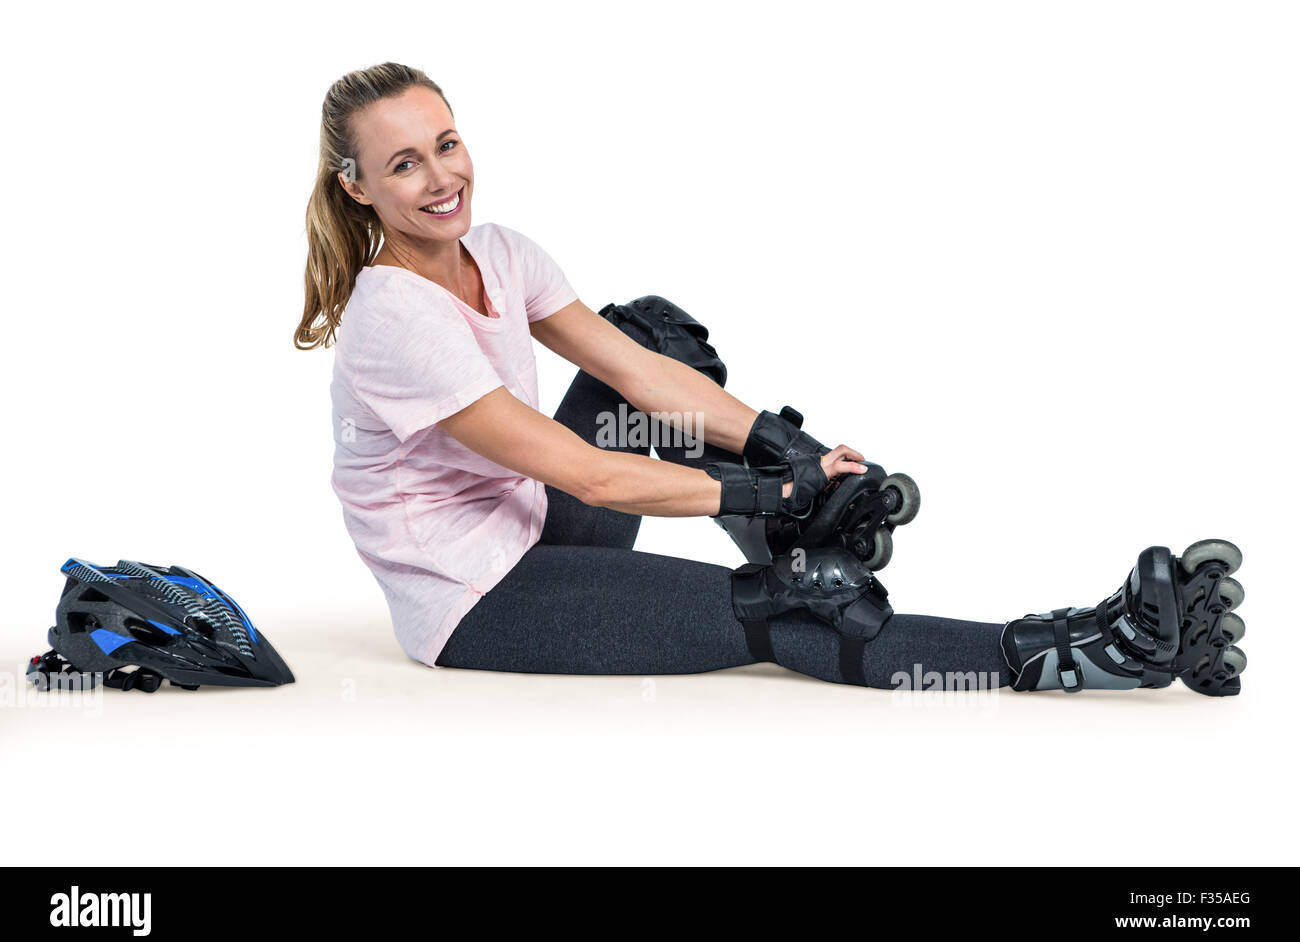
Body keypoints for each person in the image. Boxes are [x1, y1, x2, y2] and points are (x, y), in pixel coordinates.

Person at [295, 62, 1247, 696]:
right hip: (478, 595)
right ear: (358, 187)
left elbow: (640, 376)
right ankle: (1079, 649)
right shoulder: (394, 318)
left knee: (654, 336)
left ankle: (792, 523)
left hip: (540, 526)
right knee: (802, 599)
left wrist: (790, 452)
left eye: (446, 145)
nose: (439, 178)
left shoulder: (499, 252)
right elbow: (584, 472)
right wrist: (758, 485)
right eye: (403, 164)